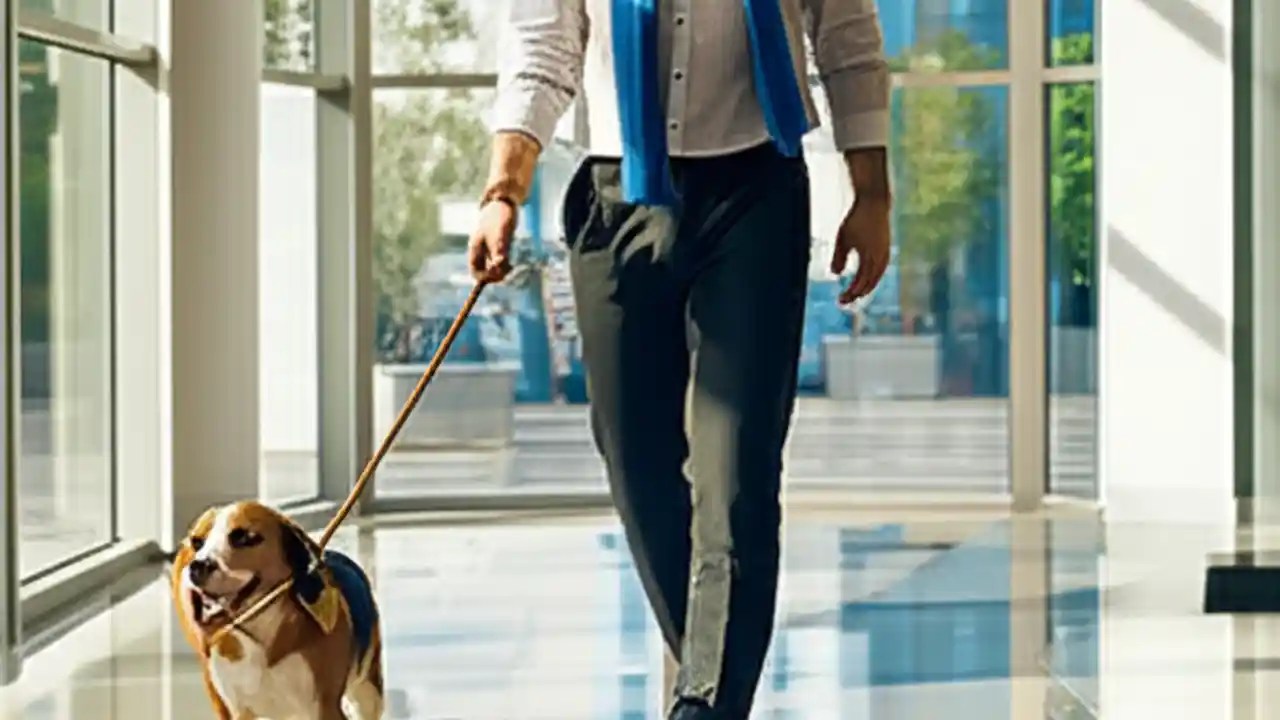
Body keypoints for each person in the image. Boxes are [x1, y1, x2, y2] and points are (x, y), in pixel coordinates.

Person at [469, 2, 890, 717]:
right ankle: (711, 680)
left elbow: (846, 39)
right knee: (633, 455)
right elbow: (542, 51)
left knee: (736, 470)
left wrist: (872, 190)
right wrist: (503, 190)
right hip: (615, 195)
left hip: (756, 192)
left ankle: (705, 702)